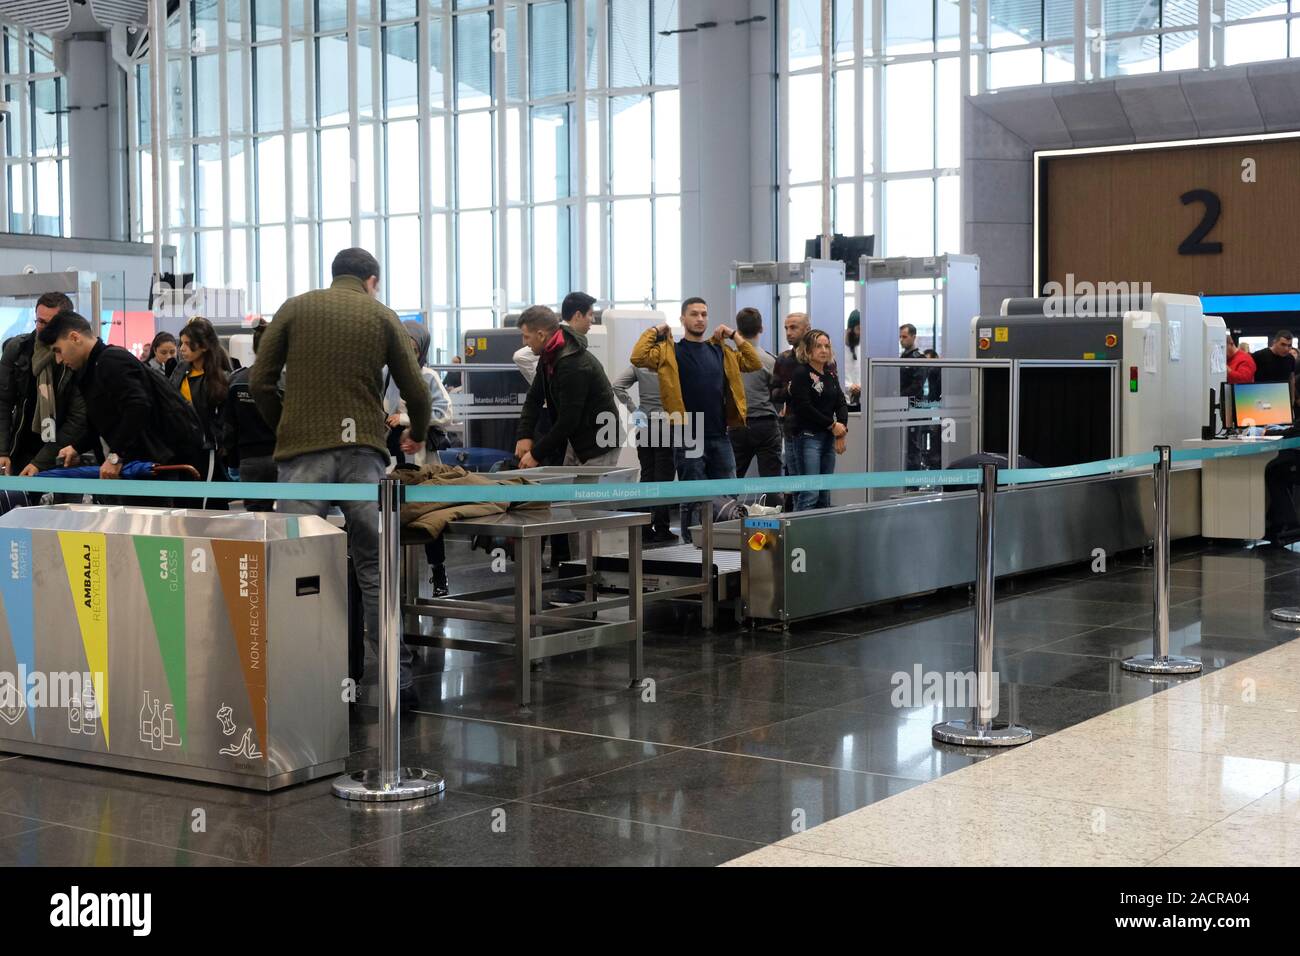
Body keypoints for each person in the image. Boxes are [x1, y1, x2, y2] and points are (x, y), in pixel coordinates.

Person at [250, 247, 431, 709]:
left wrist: (286, 427)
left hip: (302, 456)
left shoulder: (294, 307)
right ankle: (397, 683)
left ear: (334, 276)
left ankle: (300, 682)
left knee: (295, 565)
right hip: (363, 455)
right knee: (374, 567)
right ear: (372, 279)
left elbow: (259, 383)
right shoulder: (382, 316)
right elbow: (415, 388)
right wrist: (418, 431)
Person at [631, 296, 761, 541]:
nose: (700, 319)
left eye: (704, 314)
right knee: (693, 496)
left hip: (719, 433)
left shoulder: (720, 350)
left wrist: (733, 334)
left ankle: (726, 539)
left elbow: (753, 362)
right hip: (688, 433)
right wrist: (657, 329)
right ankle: (691, 546)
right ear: (683, 318)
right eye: (694, 314)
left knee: (728, 491)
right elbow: (637, 356)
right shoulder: (671, 352)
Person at [39, 311, 201, 479]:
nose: (58, 359)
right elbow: (101, 422)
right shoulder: (90, 370)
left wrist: (115, 456)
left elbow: (138, 407)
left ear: (74, 338)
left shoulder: (111, 361)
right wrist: (77, 447)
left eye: (58, 350)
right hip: (134, 468)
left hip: (150, 468)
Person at [392, 318, 456, 597]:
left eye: (412, 348)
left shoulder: (427, 376)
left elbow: (445, 412)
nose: (407, 354)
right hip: (391, 458)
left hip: (422, 461)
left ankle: (438, 573)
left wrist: (407, 419)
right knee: (391, 520)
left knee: (430, 519)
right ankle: (393, 580)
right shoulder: (385, 374)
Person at [514, 304, 621, 469]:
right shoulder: (549, 355)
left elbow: (569, 420)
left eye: (526, 337)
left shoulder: (573, 364)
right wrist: (524, 435)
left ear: (541, 335)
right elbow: (534, 397)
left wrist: (536, 454)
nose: (524, 342)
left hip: (600, 442)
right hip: (577, 437)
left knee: (589, 494)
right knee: (568, 491)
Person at [0, 291, 86, 476]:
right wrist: (2, 451)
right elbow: (3, 403)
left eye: (49, 323)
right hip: (21, 447)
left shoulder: (77, 356)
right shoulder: (18, 349)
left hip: (65, 452)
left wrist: (40, 462)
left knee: (65, 505)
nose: (42, 328)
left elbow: (78, 418)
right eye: (39, 321)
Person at [172, 317, 233, 506]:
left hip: (208, 450)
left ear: (204, 346)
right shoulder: (181, 370)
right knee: (183, 503)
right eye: (181, 343)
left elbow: (225, 418)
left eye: (188, 344)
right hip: (180, 447)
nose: (182, 348)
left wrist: (218, 441)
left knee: (207, 503)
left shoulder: (221, 378)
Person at [612, 361, 675, 542]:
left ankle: (645, 528)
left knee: (647, 478)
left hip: (645, 427)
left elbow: (617, 385)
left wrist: (635, 411)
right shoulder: (671, 364)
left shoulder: (638, 366)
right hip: (666, 427)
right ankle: (662, 528)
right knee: (664, 481)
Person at [221, 319, 279, 511]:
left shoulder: (237, 381)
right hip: (284, 459)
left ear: (253, 349)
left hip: (250, 459)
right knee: (288, 517)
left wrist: (232, 463)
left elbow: (230, 428)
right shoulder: (287, 383)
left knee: (257, 515)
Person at [788, 328, 848, 511]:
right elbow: (804, 408)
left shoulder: (830, 374)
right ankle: (799, 538)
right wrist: (832, 425)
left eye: (827, 346)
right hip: (808, 437)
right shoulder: (801, 373)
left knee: (824, 493)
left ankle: (821, 537)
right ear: (807, 350)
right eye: (818, 346)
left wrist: (841, 431)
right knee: (810, 493)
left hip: (828, 437)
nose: (824, 350)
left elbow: (841, 403)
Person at [727, 307, 782, 479]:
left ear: (738, 330)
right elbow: (778, 396)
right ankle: (773, 506)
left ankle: (728, 506)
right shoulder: (771, 360)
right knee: (771, 480)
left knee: (732, 478)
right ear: (761, 329)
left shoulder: (730, 360)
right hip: (765, 424)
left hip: (737, 424)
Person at [772, 312, 811, 508]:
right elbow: (774, 393)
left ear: (807, 329)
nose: (788, 332)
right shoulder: (784, 359)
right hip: (792, 429)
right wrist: (788, 390)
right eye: (786, 328)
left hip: (818, 429)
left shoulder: (819, 357)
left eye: (793, 327)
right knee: (797, 484)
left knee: (817, 486)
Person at [844, 310, 862, 409]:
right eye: (858, 329)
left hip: (861, 402)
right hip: (843, 402)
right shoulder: (839, 350)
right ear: (850, 329)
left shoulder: (862, 349)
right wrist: (849, 386)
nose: (860, 333)